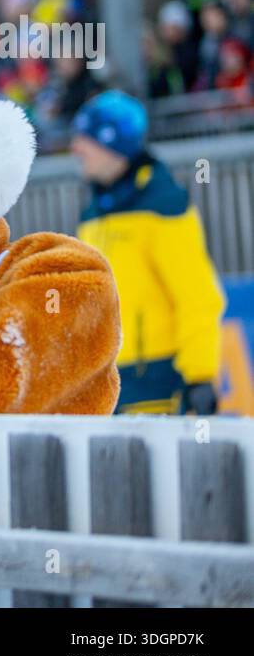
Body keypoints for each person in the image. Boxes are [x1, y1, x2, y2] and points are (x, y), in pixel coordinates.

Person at [71, 91, 226, 414]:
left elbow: (197, 297)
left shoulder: (164, 206)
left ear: (112, 143)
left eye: (85, 139)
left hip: (159, 381)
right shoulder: (93, 213)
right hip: (108, 381)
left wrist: (200, 376)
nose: (76, 149)